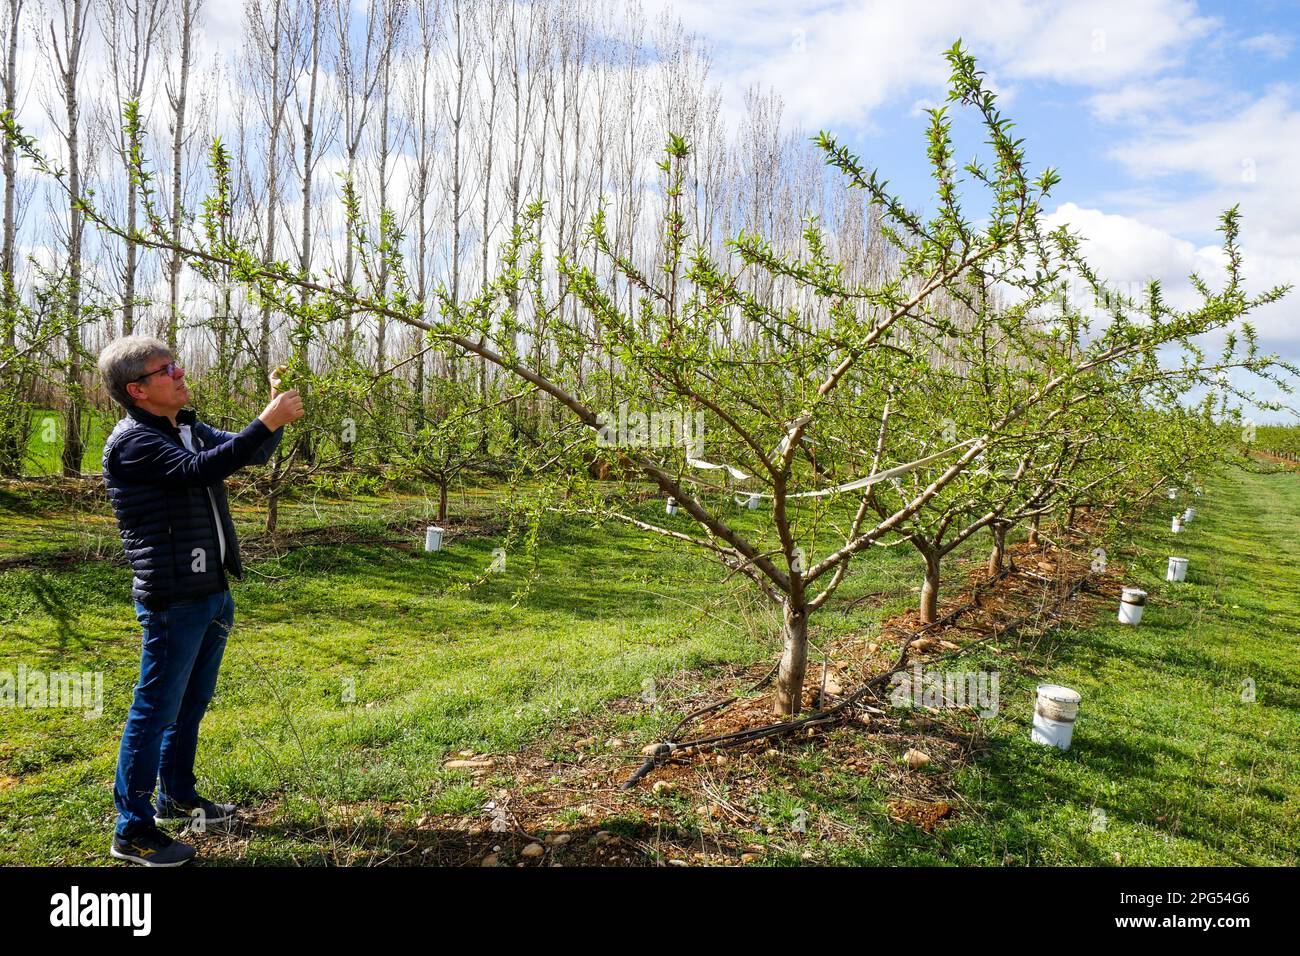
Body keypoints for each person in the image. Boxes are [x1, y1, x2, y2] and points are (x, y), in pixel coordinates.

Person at [96, 336, 304, 866]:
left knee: (191, 703)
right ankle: (132, 830)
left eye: (176, 363)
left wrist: (271, 420)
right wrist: (268, 418)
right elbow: (199, 470)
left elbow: (246, 452)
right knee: (154, 711)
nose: (179, 372)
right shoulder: (135, 443)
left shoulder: (184, 427)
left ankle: (177, 796)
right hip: (174, 598)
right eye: (166, 369)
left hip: (211, 591)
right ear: (137, 390)